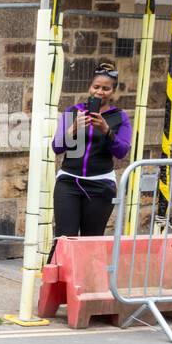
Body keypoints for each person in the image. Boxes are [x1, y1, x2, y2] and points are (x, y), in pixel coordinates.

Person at [51, 62, 132, 241]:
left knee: (91, 241)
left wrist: (106, 131)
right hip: (69, 182)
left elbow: (122, 151)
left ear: (113, 91)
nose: (99, 92)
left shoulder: (119, 117)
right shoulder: (72, 112)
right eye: (96, 87)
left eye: (106, 88)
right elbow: (56, 147)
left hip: (100, 185)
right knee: (64, 239)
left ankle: (86, 271)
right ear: (90, 87)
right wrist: (73, 129)